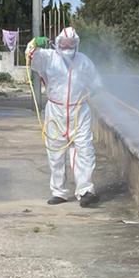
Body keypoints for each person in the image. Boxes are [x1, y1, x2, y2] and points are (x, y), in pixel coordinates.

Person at [27, 26, 101, 206]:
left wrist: (96, 88)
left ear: (77, 44)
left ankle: (85, 191)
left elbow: (96, 81)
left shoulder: (83, 61)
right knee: (55, 151)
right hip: (56, 111)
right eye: (64, 43)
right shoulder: (48, 57)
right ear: (57, 43)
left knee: (84, 149)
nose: (67, 46)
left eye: (71, 43)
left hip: (79, 111)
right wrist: (34, 43)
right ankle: (59, 191)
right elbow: (30, 55)